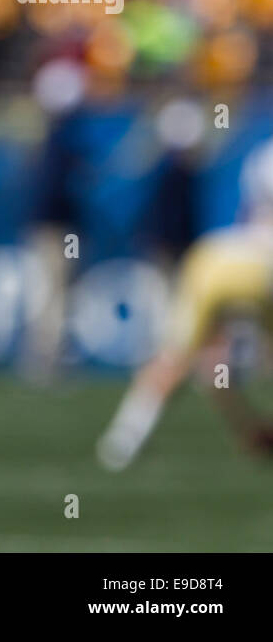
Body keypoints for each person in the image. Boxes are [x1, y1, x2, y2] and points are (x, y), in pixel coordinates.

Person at [97, 139, 273, 471]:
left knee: (178, 356)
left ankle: (124, 440)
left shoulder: (261, 154)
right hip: (263, 267)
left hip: (214, 255)